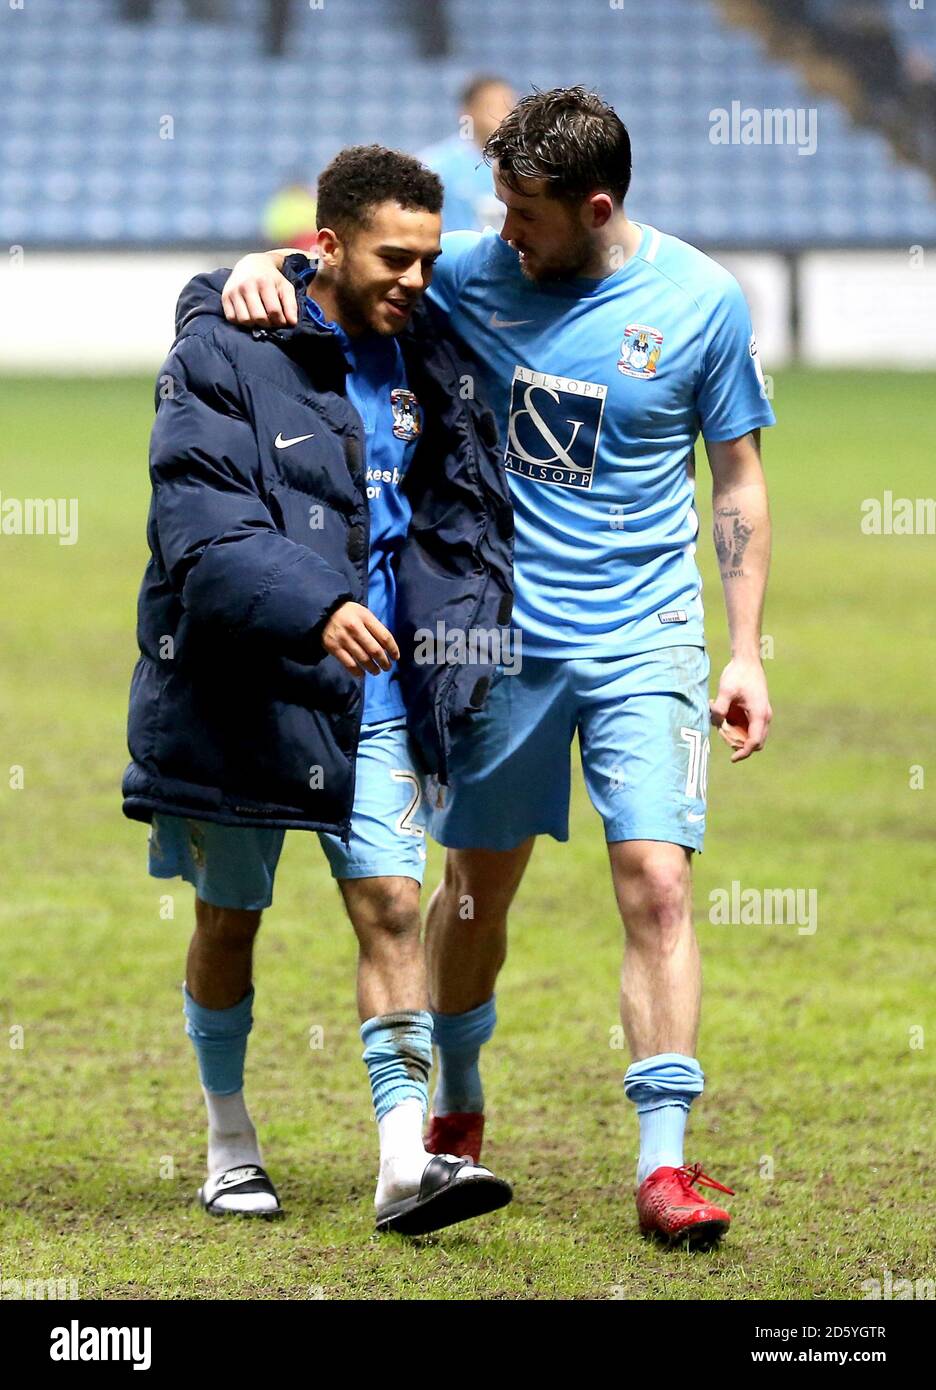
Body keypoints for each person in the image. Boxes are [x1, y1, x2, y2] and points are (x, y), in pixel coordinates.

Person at [220, 86, 776, 1245]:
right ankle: (459, 1105)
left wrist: (746, 650)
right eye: (500, 204)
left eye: (524, 212)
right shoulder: (474, 270)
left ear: (596, 206)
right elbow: (346, 263)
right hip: (495, 644)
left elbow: (737, 482)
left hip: (647, 639)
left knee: (659, 886)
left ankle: (665, 1163)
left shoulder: (703, 304)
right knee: (475, 891)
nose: (501, 231)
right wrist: (250, 263)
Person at [122, 145, 514, 1236]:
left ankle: (402, 1162)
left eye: (430, 261)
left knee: (393, 903)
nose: (416, 281)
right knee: (228, 918)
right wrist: (313, 605)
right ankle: (228, 1139)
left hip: (374, 689)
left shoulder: (424, 344)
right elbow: (197, 528)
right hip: (242, 688)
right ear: (327, 246)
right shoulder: (224, 343)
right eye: (395, 258)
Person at [420, 75, 517, 233]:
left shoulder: (523, 166)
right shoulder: (435, 166)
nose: (506, 116)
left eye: (510, 107)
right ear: (469, 112)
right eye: (496, 107)